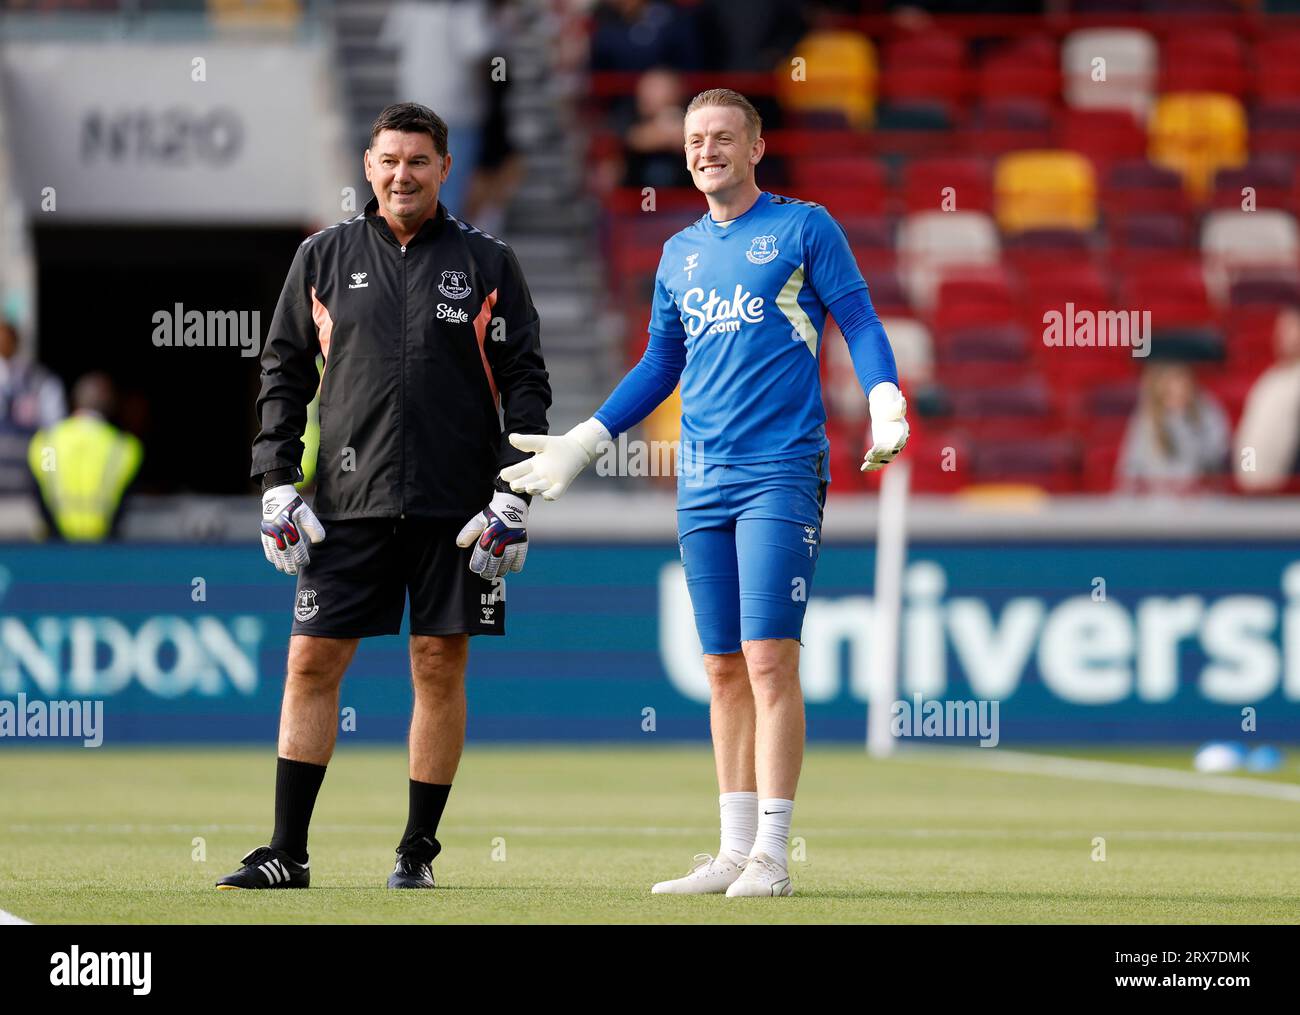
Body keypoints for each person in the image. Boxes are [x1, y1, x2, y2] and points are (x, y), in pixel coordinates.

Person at [501, 89, 907, 897]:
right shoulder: (678, 252)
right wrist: (586, 441)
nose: (706, 150)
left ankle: (773, 855)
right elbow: (661, 364)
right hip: (702, 479)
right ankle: (730, 848)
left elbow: (858, 320)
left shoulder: (804, 227)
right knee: (721, 666)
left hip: (782, 471)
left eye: (723, 137)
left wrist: (886, 395)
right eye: (694, 139)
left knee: (768, 658)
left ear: (756, 147)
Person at [219, 102, 551, 891]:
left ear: (444, 168)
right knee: (310, 664)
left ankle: (416, 854)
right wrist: (275, 484)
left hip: (458, 511)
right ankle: (286, 853)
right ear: (367, 167)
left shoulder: (489, 263)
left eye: (419, 161)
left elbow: (526, 382)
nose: (403, 174)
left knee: (438, 665)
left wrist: (515, 495)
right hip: (342, 506)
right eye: (389, 160)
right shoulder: (323, 258)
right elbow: (282, 374)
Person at [27, 372, 139, 541]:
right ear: (110, 406)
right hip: (106, 548)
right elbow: (124, 502)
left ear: (74, 401)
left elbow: (43, 489)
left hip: (55, 546)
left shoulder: (46, 443)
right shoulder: (123, 447)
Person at [1115, 360, 1229, 495]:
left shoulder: (1208, 411)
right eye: (1169, 384)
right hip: (1157, 504)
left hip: (1202, 500)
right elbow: (1130, 470)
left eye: (1180, 380)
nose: (1177, 389)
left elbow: (1219, 456)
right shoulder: (1145, 419)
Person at [1234, 305, 1300, 492]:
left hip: (1289, 496)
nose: (1283, 335)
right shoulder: (1270, 380)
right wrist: (1249, 472)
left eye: (1292, 328)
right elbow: (1249, 437)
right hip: (1258, 492)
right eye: (1281, 329)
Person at [0, 318, 66, 495]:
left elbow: (52, 436)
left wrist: (48, 479)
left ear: (16, 342)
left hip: (28, 489)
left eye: (5, 337)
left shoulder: (40, 382)